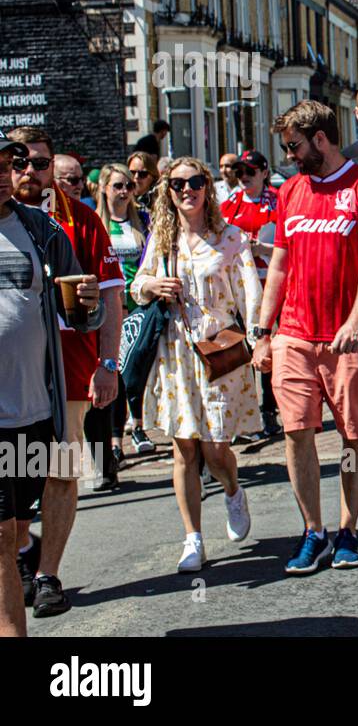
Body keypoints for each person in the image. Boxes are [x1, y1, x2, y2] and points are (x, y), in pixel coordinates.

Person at [251, 101, 358, 574]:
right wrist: (262, 332)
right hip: (293, 335)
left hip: (349, 339)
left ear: (321, 140)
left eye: (294, 145)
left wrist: (355, 320)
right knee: (296, 435)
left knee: (354, 437)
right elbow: (280, 266)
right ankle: (313, 530)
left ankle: (348, 530)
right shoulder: (289, 191)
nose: (289, 155)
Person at [7, 127, 122, 620]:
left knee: (59, 470)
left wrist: (108, 363)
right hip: (12, 380)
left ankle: (47, 573)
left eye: (41, 163)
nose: (31, 172)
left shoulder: (79, 221)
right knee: (13, 483)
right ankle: (17, 563)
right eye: (22, 163)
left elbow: (111, 298)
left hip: (66, 374)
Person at [132, 158, 259, 571]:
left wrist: (259, 340)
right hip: (176, 353)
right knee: (184, 447)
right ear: (167, 191)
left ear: (208, 187)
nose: (187, 189)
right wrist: (152, 285)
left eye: (196, 181)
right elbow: (137, 287)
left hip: (219, 351)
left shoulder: (231, 238)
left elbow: (250, 299)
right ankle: (193, 539)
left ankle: (232, 489)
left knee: (216, 446)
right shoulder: (162, 240)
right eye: (178, 183)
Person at [88, 164, 155, 484]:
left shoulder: (141, 221)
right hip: (110, 311)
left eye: (128, 185)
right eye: (117, 186)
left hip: (140, 309)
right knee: (114, 373)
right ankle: (115, 442)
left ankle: (137, 426)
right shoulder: (97, 223)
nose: (125, 191)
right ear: (104, 188)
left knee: (134, 372)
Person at [219, 150, 281, 439]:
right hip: (239, 288)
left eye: (251, 172)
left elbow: (289, 243)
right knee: (238, 350)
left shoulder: (278, 201)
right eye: (240, 172)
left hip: (270, 285)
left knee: (266, 348)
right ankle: (243, 412)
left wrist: (263, 249)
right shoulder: (229, 205)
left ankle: (270, 411)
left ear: (264, 173)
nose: (244, 177)